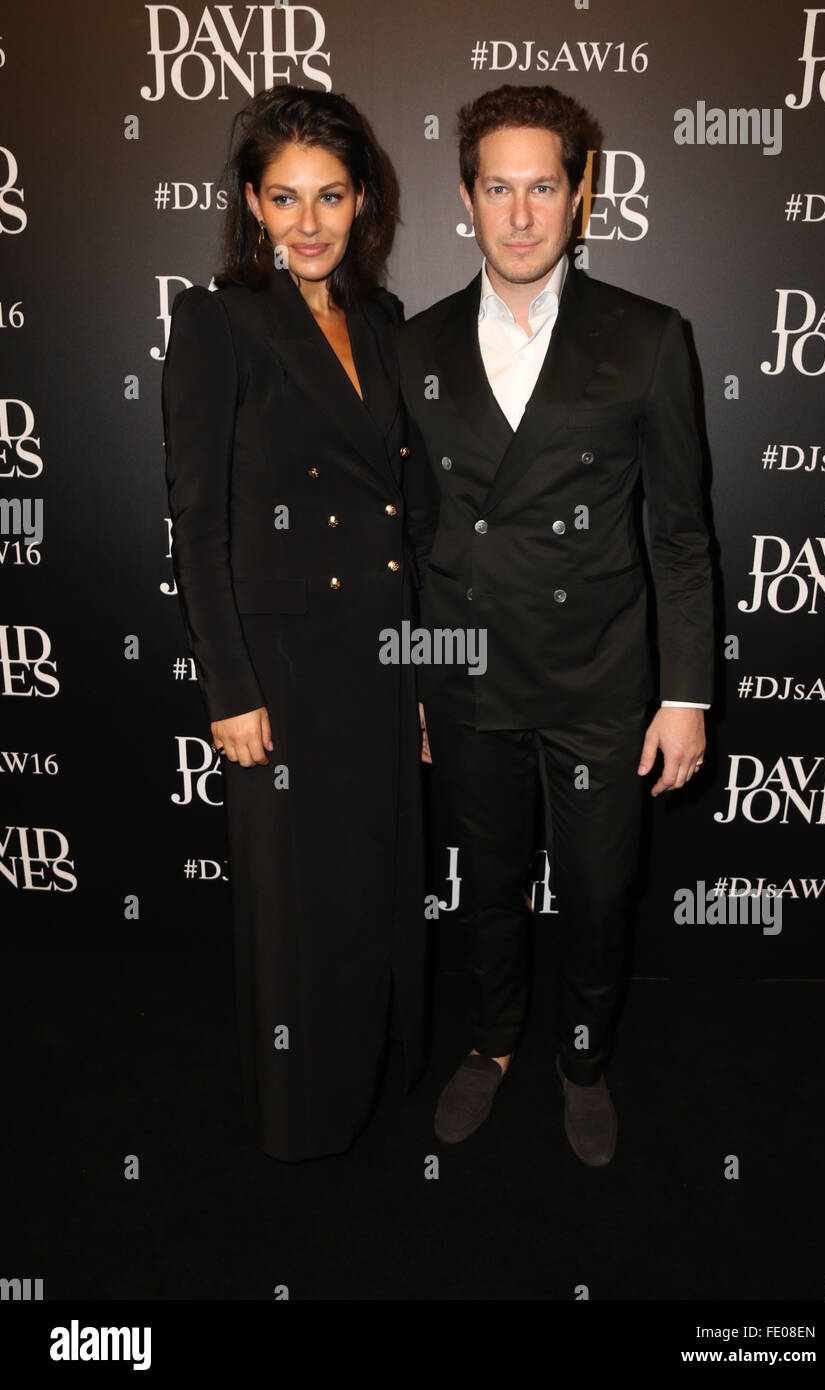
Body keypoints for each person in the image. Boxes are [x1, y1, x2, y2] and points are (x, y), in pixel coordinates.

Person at [398, 85, 714, 1166]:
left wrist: (682, 695)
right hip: (470, 679)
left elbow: (678, 533)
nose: (521, 213)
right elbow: (421, 537)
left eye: (543, 187)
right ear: (466, 197)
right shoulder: (417, 343)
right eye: (499, 187)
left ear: (580, 196)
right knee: (485, 884)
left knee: (594, 891)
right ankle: (490, 1045)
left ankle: (580, 1058)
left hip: (597, 681)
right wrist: (421, 688)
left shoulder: (645, 338)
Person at [162, 85, 431, 1162]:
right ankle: (301, 1117)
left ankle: (380, 1075)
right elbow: (196, 522)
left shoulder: (382, 322)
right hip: (278, 662)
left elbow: (403, 519)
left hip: (376, 654)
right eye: (286, 198)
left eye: (329, 196)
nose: (308, 222)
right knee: (294, 900)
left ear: (361, 201)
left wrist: (414, 676)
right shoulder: (219, 322)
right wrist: (229, 689)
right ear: (251, 204)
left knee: (375, 880)